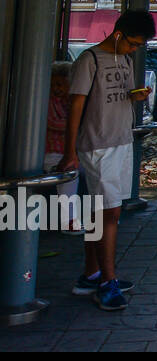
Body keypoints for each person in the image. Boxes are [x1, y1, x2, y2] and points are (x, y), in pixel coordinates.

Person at [59, 10, 156, 310]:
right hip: (98, 144)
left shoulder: (125, 60)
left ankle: (92, 273)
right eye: (133, 43)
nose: (134, 50)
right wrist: (70, 151)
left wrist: (135, 96)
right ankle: (107, 282)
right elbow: (76, 106)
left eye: (139, 46)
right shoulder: (89, 60)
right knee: (108, 214)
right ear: (118, 34)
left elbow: (119, 94)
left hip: (122, 141)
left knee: (105, 214)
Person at [44, 61, 81, 234]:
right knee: (69, 175)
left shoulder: (72, 101)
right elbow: (53, 123)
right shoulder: (48, 101)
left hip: (70, 150)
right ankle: (69, 221)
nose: (56, 88)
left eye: (60, 84)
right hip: (53, 152)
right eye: (53, 84)